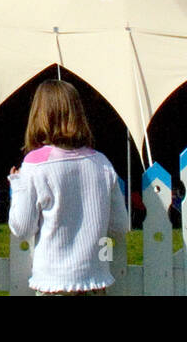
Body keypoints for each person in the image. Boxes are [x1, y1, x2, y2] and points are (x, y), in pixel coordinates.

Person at [8, 80, 128, 295]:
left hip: (53, 283)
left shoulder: (35, 164)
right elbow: (120, 225)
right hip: (95, 281)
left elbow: (22, 228)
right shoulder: (101, 162)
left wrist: (17, 186)